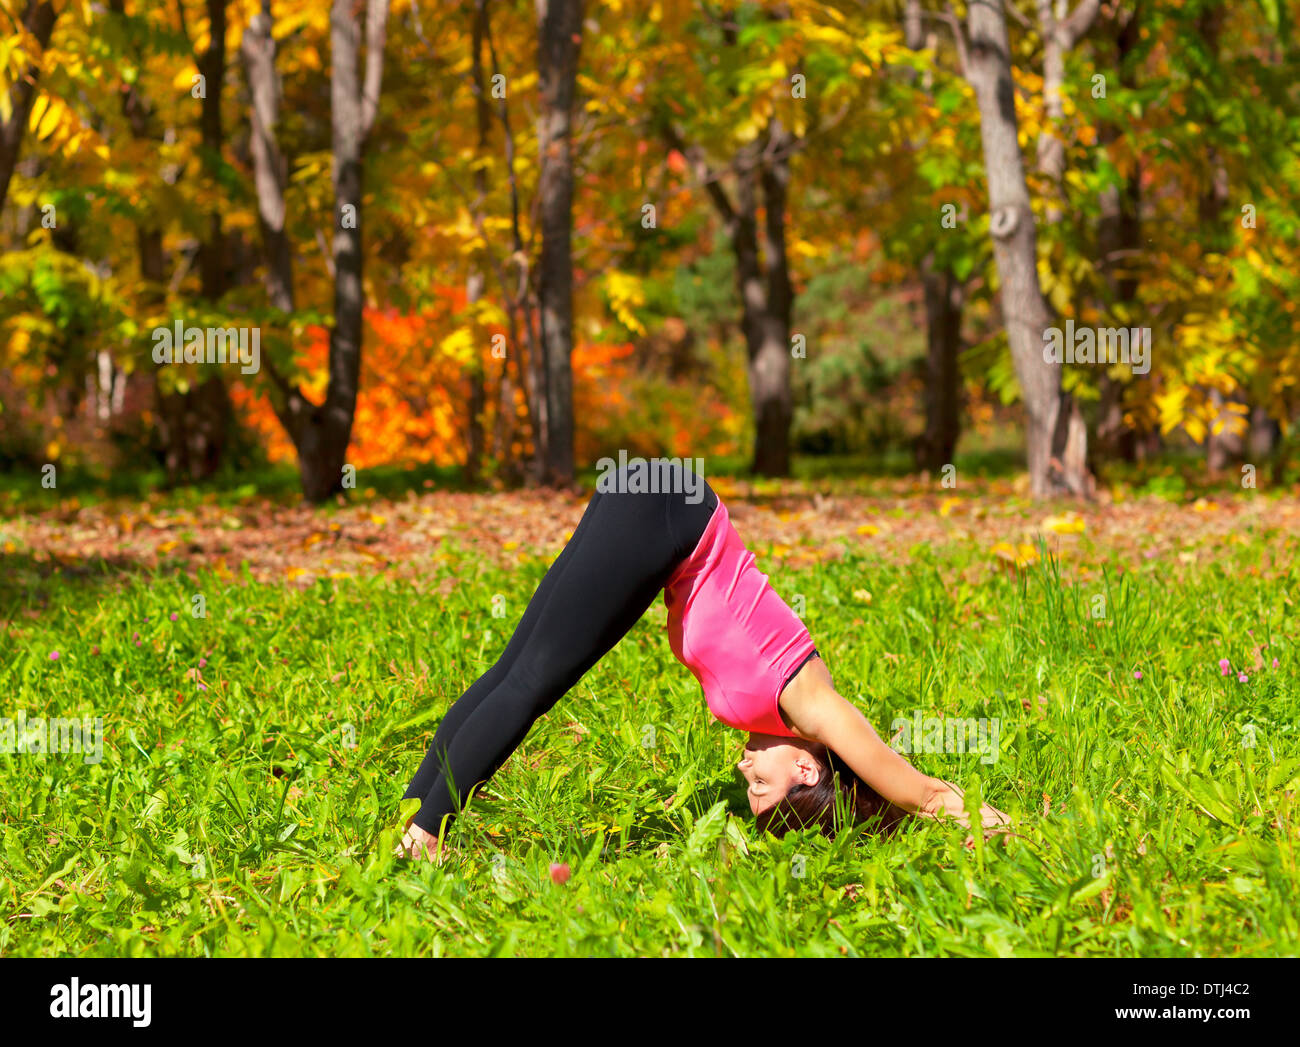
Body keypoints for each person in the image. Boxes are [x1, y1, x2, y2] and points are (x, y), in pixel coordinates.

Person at [399, 462, 1010, 861]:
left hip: (662, 515)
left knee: (517, 671)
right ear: (806, 768)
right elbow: (921, 794)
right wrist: (983, 821)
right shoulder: (814, 707)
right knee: (531, 680)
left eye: (749, 789)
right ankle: (426, 836)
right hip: (666, 513)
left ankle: (411, 813)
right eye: (763, 782)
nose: (745, 773)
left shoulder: (781, 720)